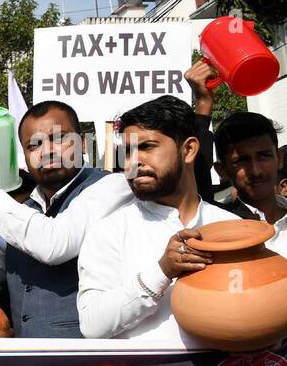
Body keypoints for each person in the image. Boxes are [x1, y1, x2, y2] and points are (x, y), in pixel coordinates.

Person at [0, 99, 129, 337]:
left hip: (88, 365)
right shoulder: (24, 211)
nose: (47, 151)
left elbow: (54, 244)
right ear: (25, 156)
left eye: (59, 138)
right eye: (33, 145)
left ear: (84, 144)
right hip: (29, 364)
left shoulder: (112, 186)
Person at [77, 95, 241, 344]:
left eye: (147, 147)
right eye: (128, 152)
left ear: (188, 150)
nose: (134, 163)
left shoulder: (232, 227)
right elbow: (92, 325)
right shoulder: (108, 231)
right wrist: (162, 271)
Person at [212, 111, 286, 256]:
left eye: (264, 156)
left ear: (279, 158)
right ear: (222, 170)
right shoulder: (217, 233)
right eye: (241, 161)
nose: (256, 171)